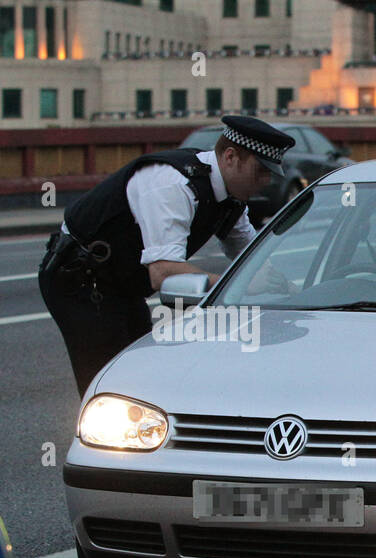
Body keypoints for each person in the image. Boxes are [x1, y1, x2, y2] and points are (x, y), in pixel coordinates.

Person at [37, 115, 293, 396]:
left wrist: (295, 294)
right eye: (260, 170)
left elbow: (253, 261)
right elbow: (164, 273)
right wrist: (232, 288)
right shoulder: (174, 184)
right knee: (109, 381)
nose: (267, 180)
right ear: (231, 157)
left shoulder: (232, 199)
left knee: (139, 372)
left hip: (121, 284)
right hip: (80, 281)